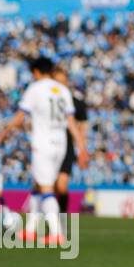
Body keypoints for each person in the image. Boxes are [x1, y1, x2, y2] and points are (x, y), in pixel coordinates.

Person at [0, 57, 88, 245]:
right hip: (61, 144)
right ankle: (31, 229)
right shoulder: (63, 91)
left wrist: (2, 135)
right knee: (38, 185)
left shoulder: (36, 89)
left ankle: (57, 233)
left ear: (37, 72)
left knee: (47, 188)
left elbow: (18, 118)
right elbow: (71, 123)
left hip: (43, 144)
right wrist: (81, 147)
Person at [51, 68, 86, 219]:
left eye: (63, 82)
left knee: (61, 185)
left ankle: (62, 219)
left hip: (67, 148)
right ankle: (50, 221)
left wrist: (82, 149)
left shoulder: (76, 103)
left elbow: (81, 126)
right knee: (50, 187)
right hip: (49, 145)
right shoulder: (47, 100)